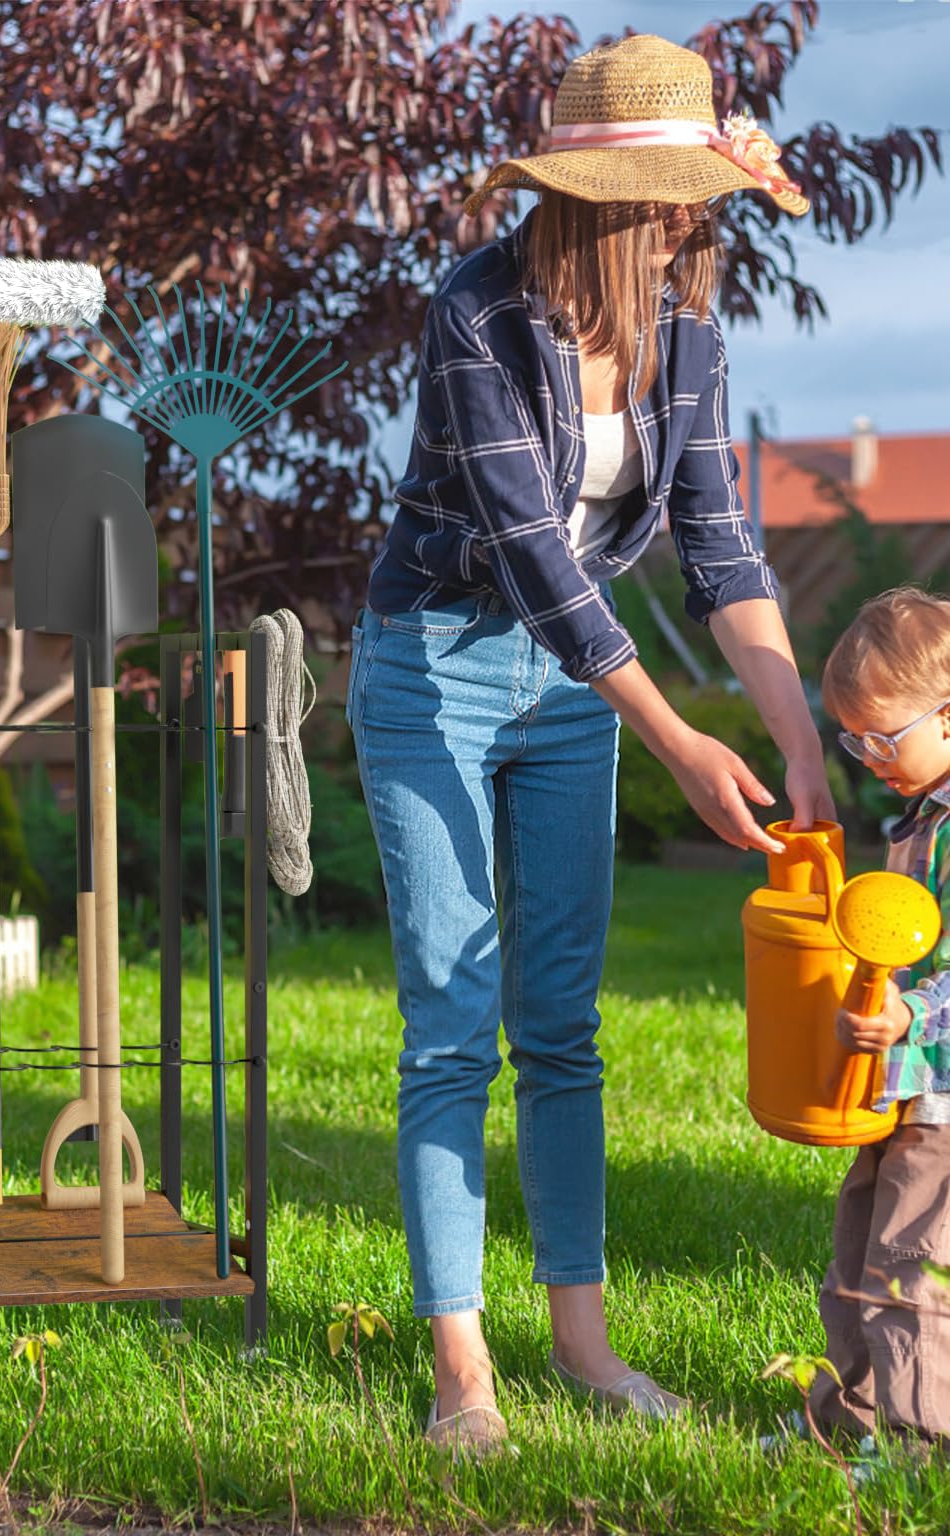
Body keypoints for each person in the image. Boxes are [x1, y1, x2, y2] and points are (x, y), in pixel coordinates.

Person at [346, 32, 834, 1455]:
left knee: (560, 1028)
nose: (697, 221)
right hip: (435, 661)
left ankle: (584, 1348)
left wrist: (792, 741)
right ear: (601, 202)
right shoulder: (478, 318)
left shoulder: (692, 332)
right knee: (451, 1026)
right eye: (675, 198)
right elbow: (539, 571)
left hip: (577, 695)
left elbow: (719, 544)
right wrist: (687, 745)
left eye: (702, 195)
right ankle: (461, 1375)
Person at [808, 589, 950, 1460]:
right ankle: (848, 1429)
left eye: (882, 738)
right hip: (904, 1089)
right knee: (857, 1262)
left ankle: (929, 1454)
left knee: (912, 1274)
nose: (868, 756)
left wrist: (909, 1012)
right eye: (854, 739)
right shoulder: (922, 812)